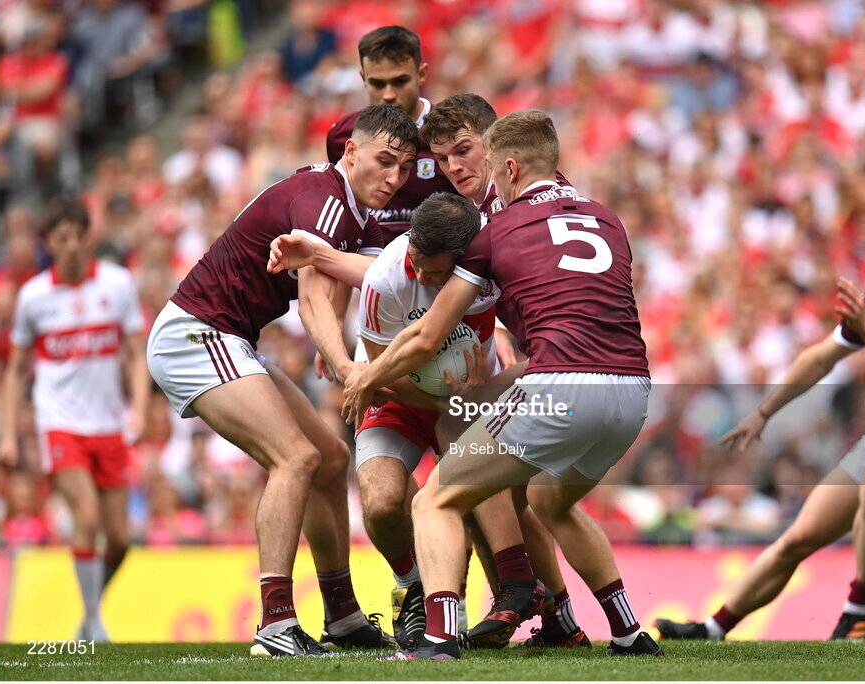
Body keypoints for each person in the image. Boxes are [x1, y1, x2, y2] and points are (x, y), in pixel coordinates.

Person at [268, 94, 593, 651]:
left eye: (464, 152)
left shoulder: (515, 208)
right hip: (407, 386)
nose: (454, 168)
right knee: (390, 500)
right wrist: (323, 261)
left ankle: (542, 609)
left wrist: (513, 349)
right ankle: (423, 590)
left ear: (497, 152)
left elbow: (449, 315)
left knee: (503, 489)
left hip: (493, 375)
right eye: (442, 159)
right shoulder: (433, 222)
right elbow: (396, 274)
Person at [341, 110, 663, 660]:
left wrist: (366, 377)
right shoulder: (608, 219)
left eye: (489, 164)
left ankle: (439, 638)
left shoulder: (497, 232)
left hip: (562, 386)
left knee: (436, 500)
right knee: (550, 502)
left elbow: (426, 339)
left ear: (510, 166)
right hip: (633, 391)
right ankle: (629, 631)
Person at [146, 104, 415, 657]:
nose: (393, 179)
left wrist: (335, 342)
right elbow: (315, 292)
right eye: (385, 162)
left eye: (405, 170)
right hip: (198, 335)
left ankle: (341, 616)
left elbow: (339, 279)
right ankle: (275, 625)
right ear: (351, 153)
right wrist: (345, 366)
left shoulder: (346, 207)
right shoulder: (324, 199)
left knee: (329, 459)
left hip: (230, 338)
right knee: (295, 458)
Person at [656, 208, 865, 641]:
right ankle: (714, 628)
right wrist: (764, 411)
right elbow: (818, 358)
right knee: (798, 538)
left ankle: (860, 608)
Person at [0, 197, 150, 642]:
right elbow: (14, 369)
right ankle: (94, 625)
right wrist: (9, 434)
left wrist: (138, 410)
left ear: (88, 236)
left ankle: (88, 615)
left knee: (120, 538)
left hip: (108, 426)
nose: (67, 245)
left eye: (75, 235)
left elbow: (136, 355)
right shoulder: (34, 297)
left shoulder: (119, 284)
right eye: (58, 238)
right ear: (50, 242)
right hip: (59, 423)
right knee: (85, 517)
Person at [326, 25, 456, 242]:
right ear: (363, 77)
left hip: (434, 263)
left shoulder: (451, 134)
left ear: (422, 74)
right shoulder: (342, 135)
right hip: (364, 265)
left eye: (400, 82)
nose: (388, 94)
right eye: (377, 83)